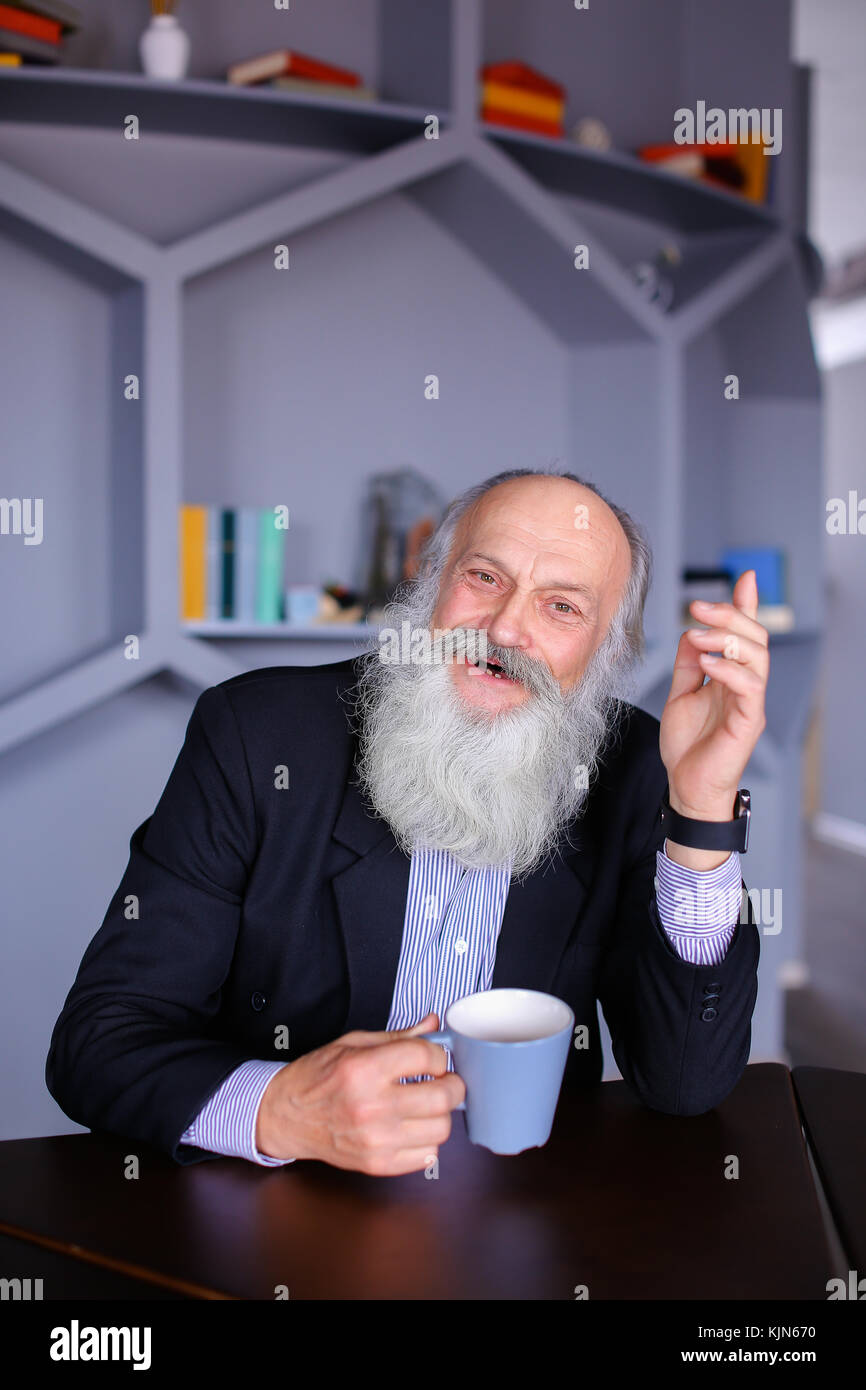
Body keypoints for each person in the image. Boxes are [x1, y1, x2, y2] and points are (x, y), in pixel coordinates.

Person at [46, 469, 767, 1175]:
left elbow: (685, 1083)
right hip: (279, 1215)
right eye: (484, 577)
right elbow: (99, 1044)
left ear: (606, 654)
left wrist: (702, 807)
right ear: (430, 585)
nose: (506, 628)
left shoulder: (643, 771)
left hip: (532, 1225)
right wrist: (283, 1109)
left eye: (562, 607)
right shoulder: (255, 735)